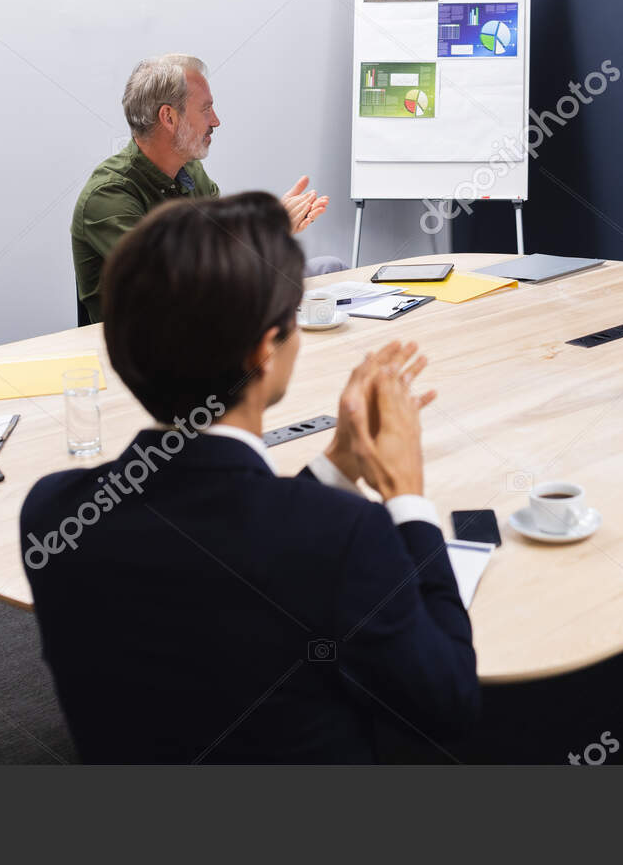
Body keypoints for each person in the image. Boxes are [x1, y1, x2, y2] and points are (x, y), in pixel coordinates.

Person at [26, 191, 479, 762]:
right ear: (266, 351)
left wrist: (337, 465)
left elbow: (237, 547)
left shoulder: (52, 512)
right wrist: (408, 499)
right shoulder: (345, 537)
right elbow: (449, 701)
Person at [70, 54, 339, 324]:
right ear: (169, 117)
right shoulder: (108, 195)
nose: (216, 121)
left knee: (329, 268)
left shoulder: (189, 172)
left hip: (204, 318)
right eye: (206, 109)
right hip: (157, 341)